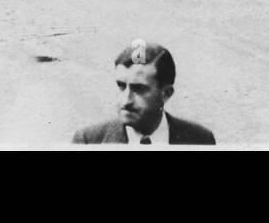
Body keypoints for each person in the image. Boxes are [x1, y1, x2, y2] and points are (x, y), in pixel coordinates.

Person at [72, 40, 215, 145]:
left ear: (166, 93)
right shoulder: (89, 141)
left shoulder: (200, 139)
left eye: (139, 89)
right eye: (122, 86)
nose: (126, 101)